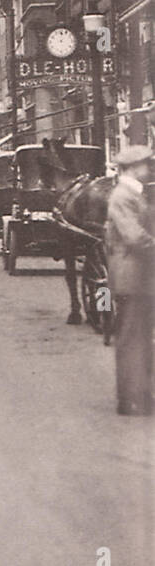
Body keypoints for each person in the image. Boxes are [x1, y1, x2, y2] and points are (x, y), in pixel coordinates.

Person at [105, 146, 155, 416]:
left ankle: (144, 394)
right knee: (130, 337)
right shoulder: (122, 196)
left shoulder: (133, 193)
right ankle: (127, 398)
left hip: (141, 278)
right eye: (145, 166)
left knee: (143, 337)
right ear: (133, 168)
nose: (149, 170)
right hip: (131, 277)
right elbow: (134, 236)